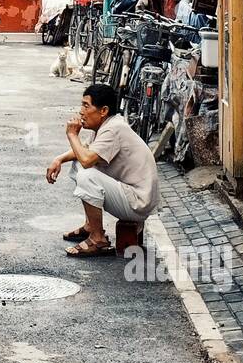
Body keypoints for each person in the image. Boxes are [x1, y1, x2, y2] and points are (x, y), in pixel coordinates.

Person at [45, 83, 160, 257]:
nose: (81, 112)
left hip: (138, 202)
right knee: (78, 164)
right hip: (130, 194)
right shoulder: (106, 125)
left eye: (86, 106)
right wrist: (59, 159)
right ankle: (91, 226)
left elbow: (86, 159)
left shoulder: (113, 129)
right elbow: (84, 150)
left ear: (103, 111)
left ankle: (98, 239)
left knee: (86, 174)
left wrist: (71, 134)